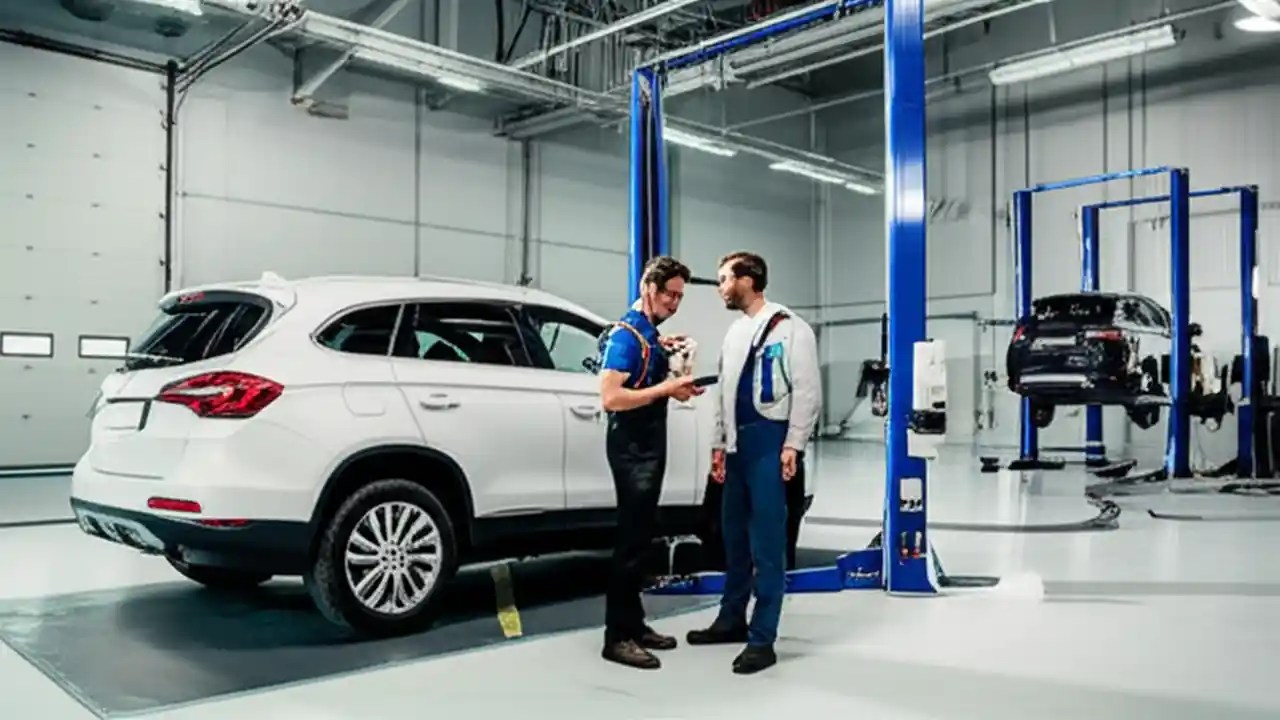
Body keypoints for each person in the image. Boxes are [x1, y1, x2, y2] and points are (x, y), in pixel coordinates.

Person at [686, 250, 821, 674]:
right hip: (737, 448)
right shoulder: (734, 333)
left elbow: (807, 390)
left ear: (748, 279)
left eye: (725, 279)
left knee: (767, 543)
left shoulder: (791, 328)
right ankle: (731, 619)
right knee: (734, 540)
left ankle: (762, 638)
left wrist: (793, 444)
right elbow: (724, 393)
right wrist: (718, 445)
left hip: (769, 441)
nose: (721, 288)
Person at [597, 255, 704, 670]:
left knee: (642, 539)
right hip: (632, 448)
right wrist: (666, 389)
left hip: (648, 443)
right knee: (630, 542)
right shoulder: (626, 336)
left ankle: (634, 623)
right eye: (668, 294)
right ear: (648, 288)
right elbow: (611, 397)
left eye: (679, 297)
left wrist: (664, 355)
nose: (674, 303)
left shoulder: (647, 333)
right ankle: (616, 637)